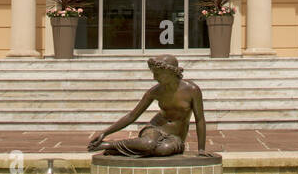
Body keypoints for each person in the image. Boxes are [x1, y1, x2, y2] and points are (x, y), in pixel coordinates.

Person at [87, 55, 215, 158]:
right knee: (149, 144)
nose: (154, 78)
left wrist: (201, 149)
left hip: (176, 136)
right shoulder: (155, 91)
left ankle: (119, 149)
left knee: (162, 150)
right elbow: (132, 115)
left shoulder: (192, 90)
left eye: (158, 74)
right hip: (155, 127)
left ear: (170, 71)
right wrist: (105, 133)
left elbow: (200, 120)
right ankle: (109, 145)